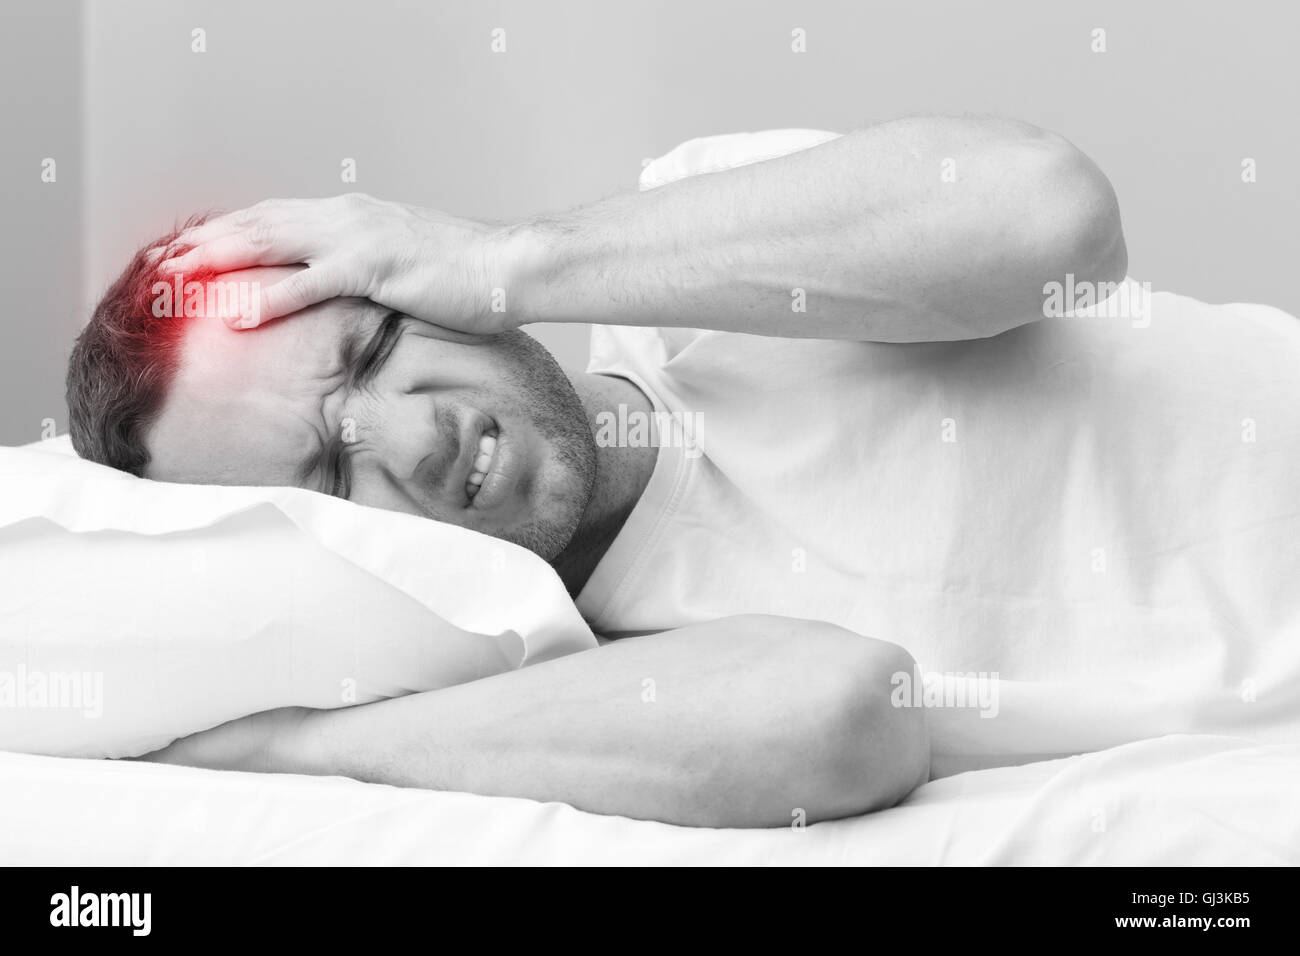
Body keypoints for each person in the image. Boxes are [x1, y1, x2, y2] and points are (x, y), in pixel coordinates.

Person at [70, 116, 1192, 826]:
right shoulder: (574, 679)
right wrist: (290, 748)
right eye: (327, 475)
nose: (417, 443)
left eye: (372, 349)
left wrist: (503, 256)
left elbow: (1056, 220)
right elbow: (848, 712)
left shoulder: (701, 243)